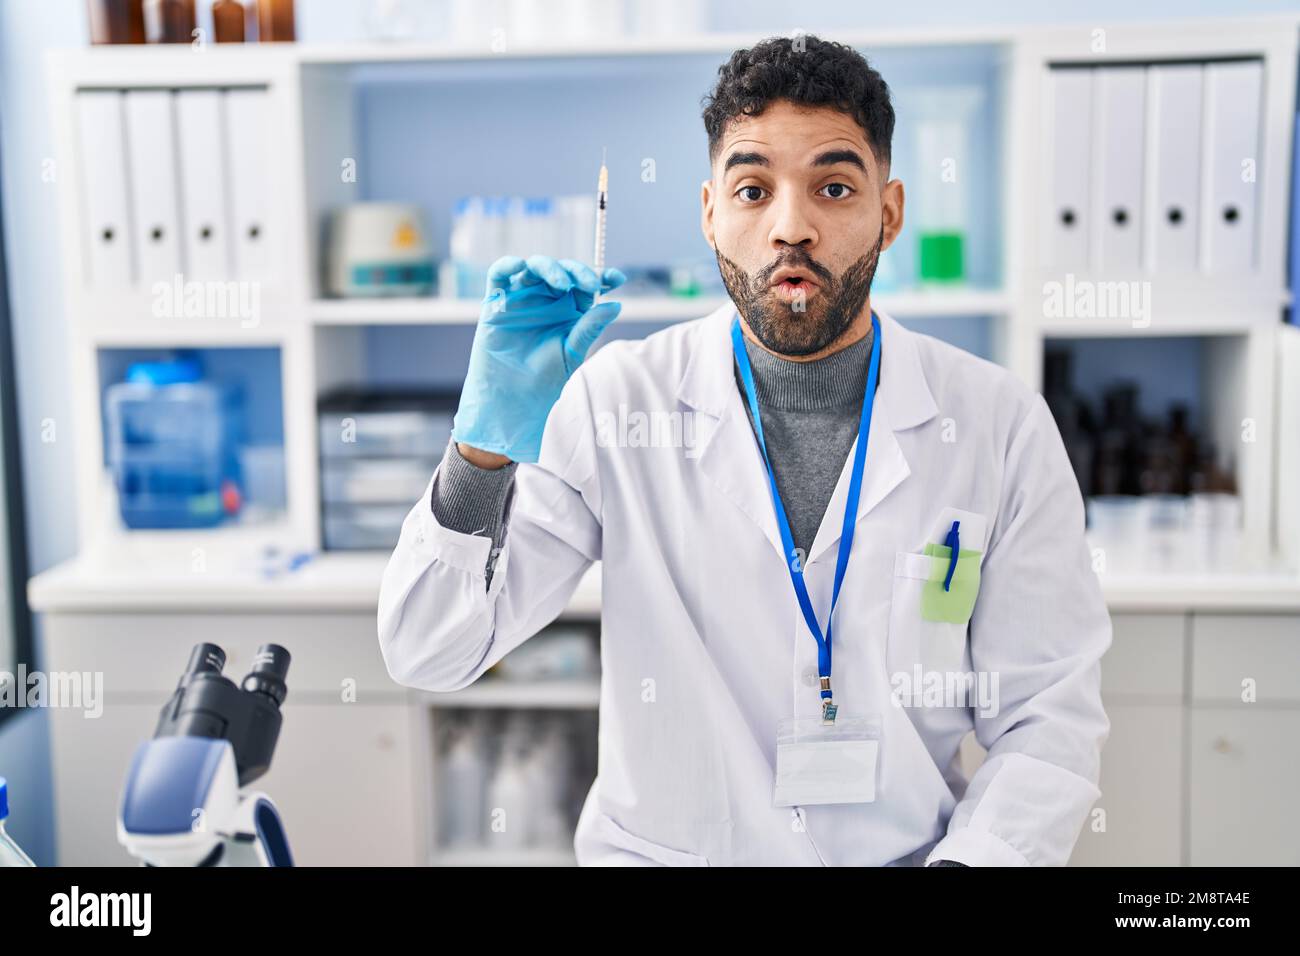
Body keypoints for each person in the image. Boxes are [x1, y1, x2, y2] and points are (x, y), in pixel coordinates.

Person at [379, 34, 1110, 866]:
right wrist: (481, 450)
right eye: (753, 189)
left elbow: (1048, 719)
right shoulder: (619, 403)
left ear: (891, 210)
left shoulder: (997, 425)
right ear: (710, 213)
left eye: (833, 187)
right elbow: (429, 652)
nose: (789, 227)